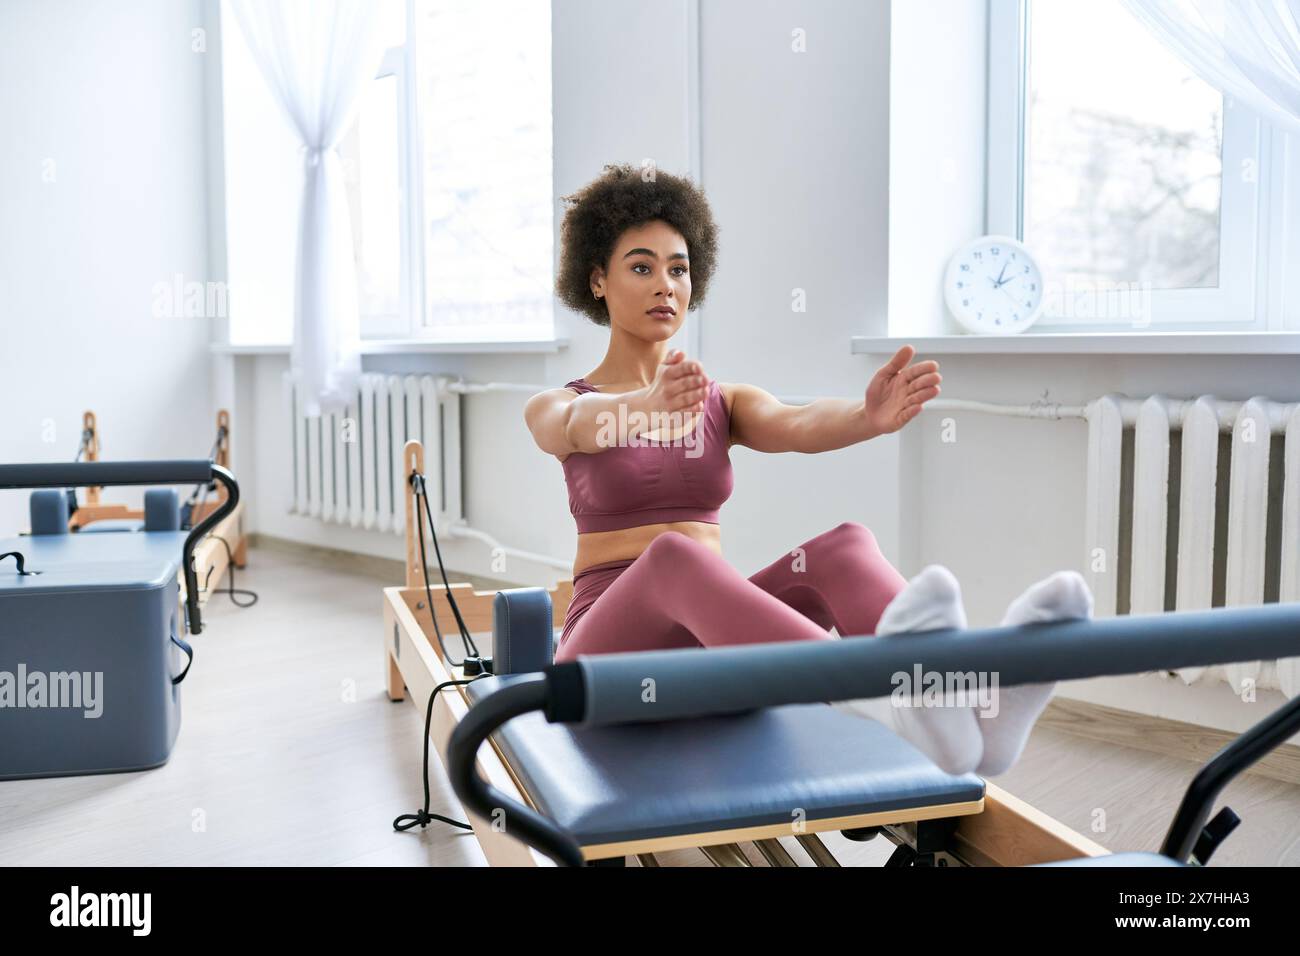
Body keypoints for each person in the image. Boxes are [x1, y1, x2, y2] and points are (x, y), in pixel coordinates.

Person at [524, 163, 1093, 776]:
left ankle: (972, 707)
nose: (666, 284)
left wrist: (866, 417)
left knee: (845, 545)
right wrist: (643, 407)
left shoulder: (720, 401)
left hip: (708, 662)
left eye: (678, 268)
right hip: (605, 666)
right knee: (673, 557)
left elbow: (796, 424)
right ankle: (880, 694)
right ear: (597, 281)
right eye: (642, 267)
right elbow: (575, 426)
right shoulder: (560, 404)